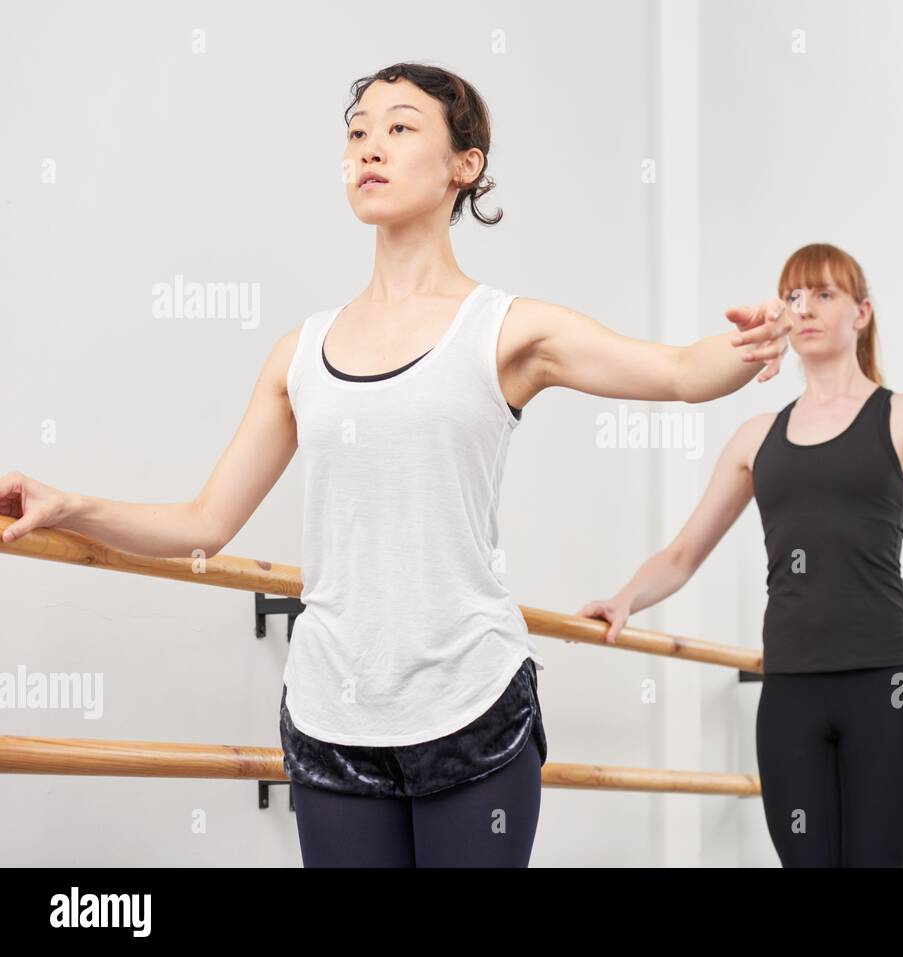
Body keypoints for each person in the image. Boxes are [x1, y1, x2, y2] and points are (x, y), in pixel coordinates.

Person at [0, 62, 791, 868]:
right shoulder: (299, 354)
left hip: (471, 707)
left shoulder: (507, 330)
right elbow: (204, 521)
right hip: (330, 720)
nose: (370, 146)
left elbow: (678, 371)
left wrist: (751, 340)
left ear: (464, 165)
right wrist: (67, 505)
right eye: (358, 131)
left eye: (401, 127)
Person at [578, 241, 903, 867]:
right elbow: (683, 553)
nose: (806, 308)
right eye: (794, 295)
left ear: (862, 312)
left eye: (825, 293)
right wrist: (625, 598)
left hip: (886, 686)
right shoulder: (756, 437)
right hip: (790, 690)